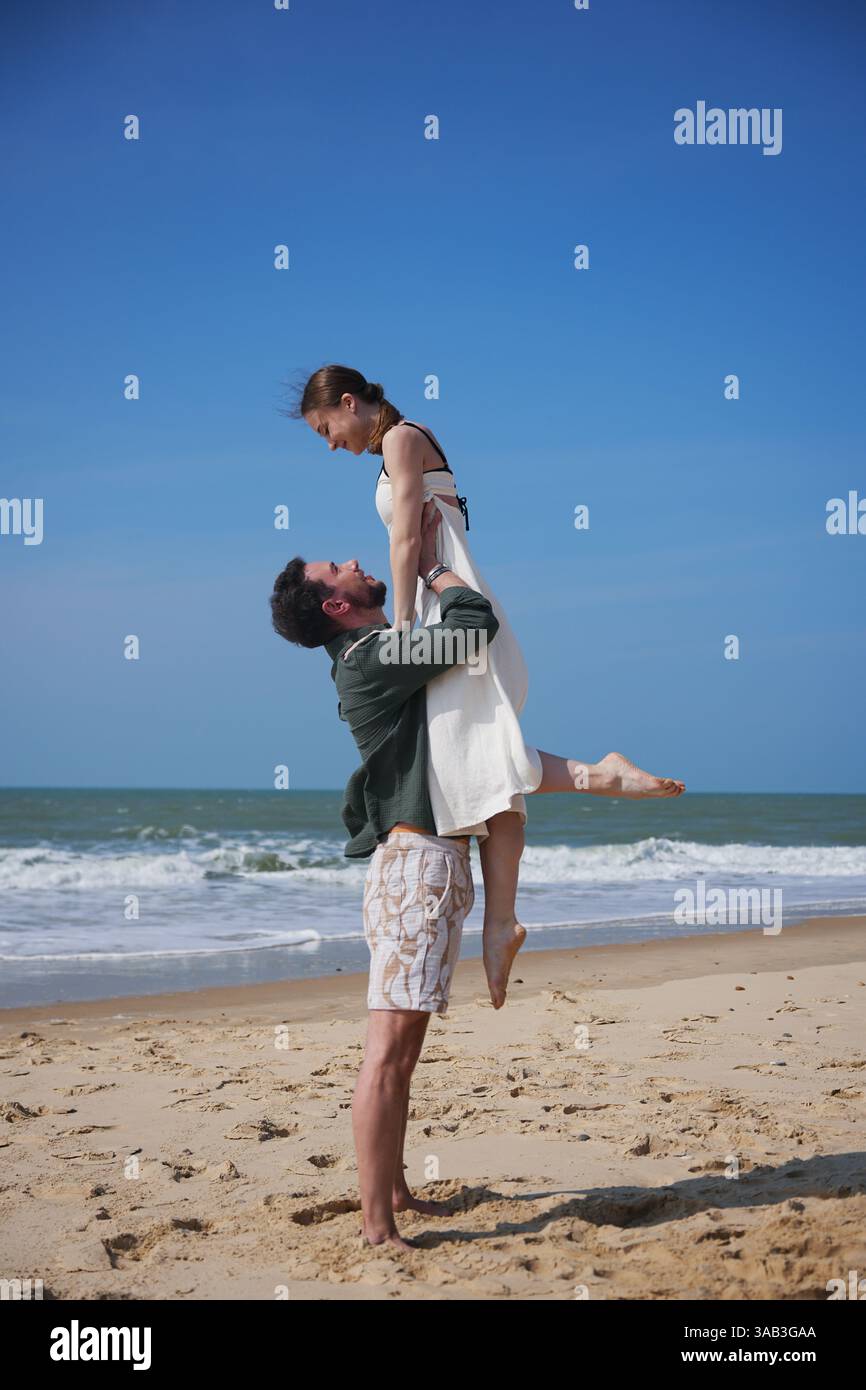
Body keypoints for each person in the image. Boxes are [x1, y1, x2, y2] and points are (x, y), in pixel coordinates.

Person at [285, 365, 685, 1007]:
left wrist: (408, 624)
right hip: (443, 595)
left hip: (447, 600)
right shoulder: (392, 450)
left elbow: (409, 535)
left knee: (480, 750)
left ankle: (584, 799)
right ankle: (504, 920)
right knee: (479, 752)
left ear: (350, 403)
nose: (331, 443)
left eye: (327, 429)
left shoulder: (402, 439)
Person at [270, 506, 497, 1249]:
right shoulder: (368, 657)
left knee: (404, 1053)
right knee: (388, 1056)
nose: (352, 559)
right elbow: (472, 627)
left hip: (426, 867)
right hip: (417, 870)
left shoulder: (379, 648)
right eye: (337, 570)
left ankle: (394, 1187)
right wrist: (433, 565)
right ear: (337, 605)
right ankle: (376, 1226)